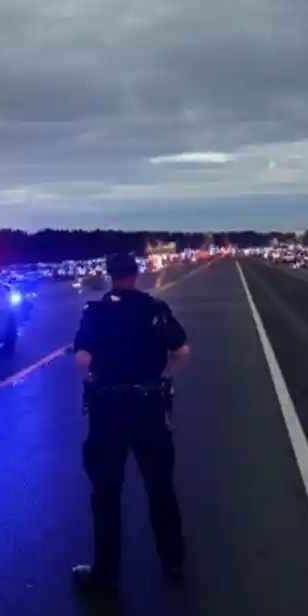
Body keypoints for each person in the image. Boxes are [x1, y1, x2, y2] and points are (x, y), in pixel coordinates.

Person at [70, 251, 190, 595]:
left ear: (109, 276)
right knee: (160, 487)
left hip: (108, 410)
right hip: (148, 406)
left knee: (106, 494)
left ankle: (105, 572)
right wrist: (160, 377)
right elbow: (181, 351)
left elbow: (82, 360)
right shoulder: (155, 310)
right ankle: (173, 560)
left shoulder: (95, 313)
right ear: (136, 275)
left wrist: (100, 375)